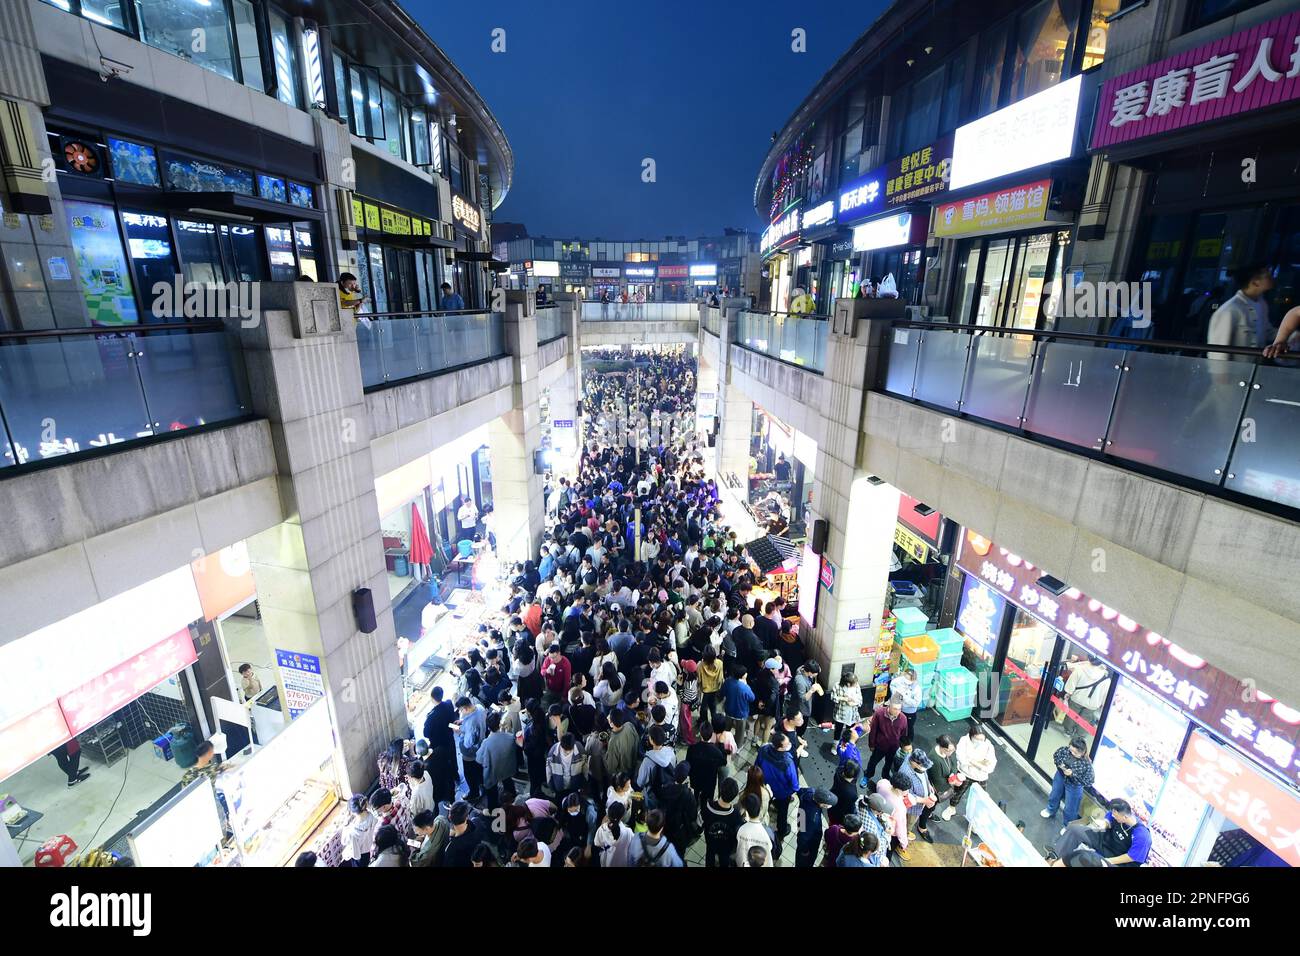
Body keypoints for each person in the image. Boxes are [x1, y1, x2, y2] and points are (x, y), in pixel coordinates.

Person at [1049, 798, 1151, 867]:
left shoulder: (1142, 836)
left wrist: (1108, 861)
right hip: (1105, 841)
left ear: (1125, 817)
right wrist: (1105, 823)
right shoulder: (1118, 814)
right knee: (1074, 830)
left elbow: (1131, 857)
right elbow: (1110, 817)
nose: (1113, 816)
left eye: (1116, 815)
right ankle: (1056, 857)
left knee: (1087, 857)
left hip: (1118, 858)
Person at [1207, 263, 1274, 360]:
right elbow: (1218, 353)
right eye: (1267, 275)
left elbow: (1266, 331)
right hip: (1235, 373)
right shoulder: (1230, 310)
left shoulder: (1262, 304)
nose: (1271, 278)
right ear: (1255, 282)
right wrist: (1221, 374)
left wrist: (1291, 334)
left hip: (1255, 370)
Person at [754, 730, 799, 860]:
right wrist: (791, 791)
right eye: (786, 744)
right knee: (783, 812)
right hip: (782, 793)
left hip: (766, 788)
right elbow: (795, 785)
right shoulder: (787, 762)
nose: (789, 745)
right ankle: (782, 830)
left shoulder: (763, 750)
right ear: (779, 747)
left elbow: (757, 765)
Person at [1041, 736, 1095, 832]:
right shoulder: (1065, 750)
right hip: (1061, 776)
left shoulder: (1086, 764)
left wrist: (1072, 775)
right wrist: (1060, 765)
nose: (1073, 754)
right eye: (1071, 750)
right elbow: (1056, 755)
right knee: (1054, 795)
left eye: (1076, 753)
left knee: (1071, 807)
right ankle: (1050, 810)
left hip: (1074, 785)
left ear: (1083, 752)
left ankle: (1068, 826)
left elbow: (1089, 781)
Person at [477, 710, 518, 810]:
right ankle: (512, 798)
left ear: (488, 727)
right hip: (507, 768)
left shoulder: (486, 743)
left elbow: (479, 759)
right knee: (508, 782)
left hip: (493, 772)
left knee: (492, 792)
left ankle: (493, 809)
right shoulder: (510, 737)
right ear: (499, 724)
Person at [953, 722, 996, 811]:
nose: (979, 741)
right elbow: (961, 758)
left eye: (981, 739)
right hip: (965, 773)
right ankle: (951, 808)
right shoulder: (964, 740)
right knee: (957, 792)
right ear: (971, 736)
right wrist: (980, 763)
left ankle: (976, 814)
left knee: (981, 797)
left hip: (980, 776)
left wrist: (973, 762)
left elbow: (990, 765)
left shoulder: (988, 745)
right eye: (976, 739)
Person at [451, 695, 487, 803]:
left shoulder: (471, 724)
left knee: (469, 773)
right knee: (479, 768)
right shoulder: (479, 708)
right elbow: (472, 719)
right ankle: (482, 785)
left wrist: (459, 731)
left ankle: (474, 792)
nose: (460, 712)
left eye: (461, 710)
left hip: (470, 752)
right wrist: (462, 722)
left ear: (465, 708)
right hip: (481, 744)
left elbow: (467, 743)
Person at [864, 697, 907, 784]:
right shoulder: (879, 713)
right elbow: (873, 730)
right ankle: (867, 776)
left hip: (894, 748)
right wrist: (871, 744)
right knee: (873, 762)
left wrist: (902, 748)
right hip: (880, 746)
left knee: (888, 764)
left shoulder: (903, 718)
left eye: (899, 709)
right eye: (895, 709)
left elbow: (904, 734)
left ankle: (885, 777)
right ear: (889, 706)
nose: (897, 712)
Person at [702, 776, 742, 868]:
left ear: (720, 789)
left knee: (710, 858)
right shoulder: (736, 815)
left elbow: (700, 824)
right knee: (724, 861)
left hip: (710, 842)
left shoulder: (707, 807)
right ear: (734, 796)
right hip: (726, 847)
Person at [795, 787, 837, 868]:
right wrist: (804, 851)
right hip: (808, 845)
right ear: (821, 803)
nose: (829, 806)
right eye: (828, 804)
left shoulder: (810, 792)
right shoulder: (811, 817)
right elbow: (802, 836)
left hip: (804, 824)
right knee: (804, 863)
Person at [926, 734, 960, 828]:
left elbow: (952, 764)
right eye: (949, 750)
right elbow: (937, 780)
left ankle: (928, 814)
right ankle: (924, 820)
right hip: (935, 788)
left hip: (945, 782)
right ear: (941, 747)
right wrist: (951, 782)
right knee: (930, 806)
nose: (951, 753)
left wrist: (952, 774)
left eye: (953, 750)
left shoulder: (945, 753)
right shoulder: (934, 758)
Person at [735, 792, 774, 867]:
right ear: (759, 809)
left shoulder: (742, 829)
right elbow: (770, 847)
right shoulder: (767, 832)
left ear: (746, 811)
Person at [594, 800, 636, 867]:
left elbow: (597, 843)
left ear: (608, 814)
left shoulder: (602, 829)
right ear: (622, 816)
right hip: (622, 861)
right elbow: (633, 846)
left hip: (607, 860)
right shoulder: (628, 832)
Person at [722, 664, 755, 749]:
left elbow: (723, 692)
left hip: (729, 710)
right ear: (743, 675)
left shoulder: (728, 681)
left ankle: (724, 740)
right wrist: (746, 684)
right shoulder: (744, 687)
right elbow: (752, 698)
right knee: (740, 732)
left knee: (727, 727)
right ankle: (737, 746)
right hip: (741, 713)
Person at [340, 794, 376, 867]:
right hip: (373, 848)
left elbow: (343, 841)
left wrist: (345, 824)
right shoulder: (373, 816)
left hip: (361, 855)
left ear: (352, 812)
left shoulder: (351, 831)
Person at [890, 666, 922, 742]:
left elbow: (916, 703)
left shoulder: (917, 689)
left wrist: (904, 697)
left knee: (908, 727)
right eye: (905, 678)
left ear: (913, 680)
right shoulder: (898, 680)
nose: (906, 681)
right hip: (898, 709)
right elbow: (892, 685)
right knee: (896, 725)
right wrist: (896, 693)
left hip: (909, 712)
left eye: (909, 679)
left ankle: (908, 742)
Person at [831, 671, 864, 742]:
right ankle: (835, 745)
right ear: (848, 684)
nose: (856, 685)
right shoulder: (837, 686)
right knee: (838, 730)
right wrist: (844, 699)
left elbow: (860, 700)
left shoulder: (857, 686)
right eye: (854, 684)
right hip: (840, 713)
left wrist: (854, 702)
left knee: (849, 731)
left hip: (852, 714)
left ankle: (845, 744)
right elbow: (833, 698)